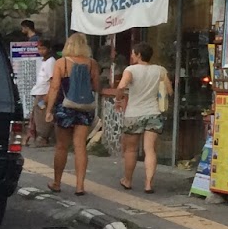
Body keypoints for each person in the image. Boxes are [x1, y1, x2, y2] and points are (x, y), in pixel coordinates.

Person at [109, 42, 171, 193]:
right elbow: (169, 91)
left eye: (133, 53)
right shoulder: (160, 70)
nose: (131, 55)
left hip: (134, 114)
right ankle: (148, 184)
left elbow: (121, 86)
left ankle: (128, 180)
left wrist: (118, 100)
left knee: (131, 150)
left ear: (138, 55)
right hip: (153, 112)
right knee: (150, 150)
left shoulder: (130, 70)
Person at [47, 33, 101, 196]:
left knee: (62, 146)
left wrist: (49, 110)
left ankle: (57, 183)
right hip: (85, 108)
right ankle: (80, 185)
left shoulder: (61, 63)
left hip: (65, 107)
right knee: (80, 146)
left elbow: (55, 87)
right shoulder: (92, 64)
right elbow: (96, 86)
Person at [25, 38, 56, 146]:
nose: (41, 51)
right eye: (39, 49)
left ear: (48, 49)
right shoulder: (44, 61)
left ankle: (43, 137)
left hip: (44, 94)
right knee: (36, 115)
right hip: (39, 92)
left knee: (42, 116)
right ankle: (35, 136)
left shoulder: (51, 61)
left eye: (43, 49)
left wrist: (48, 95)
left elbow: (53, 80)